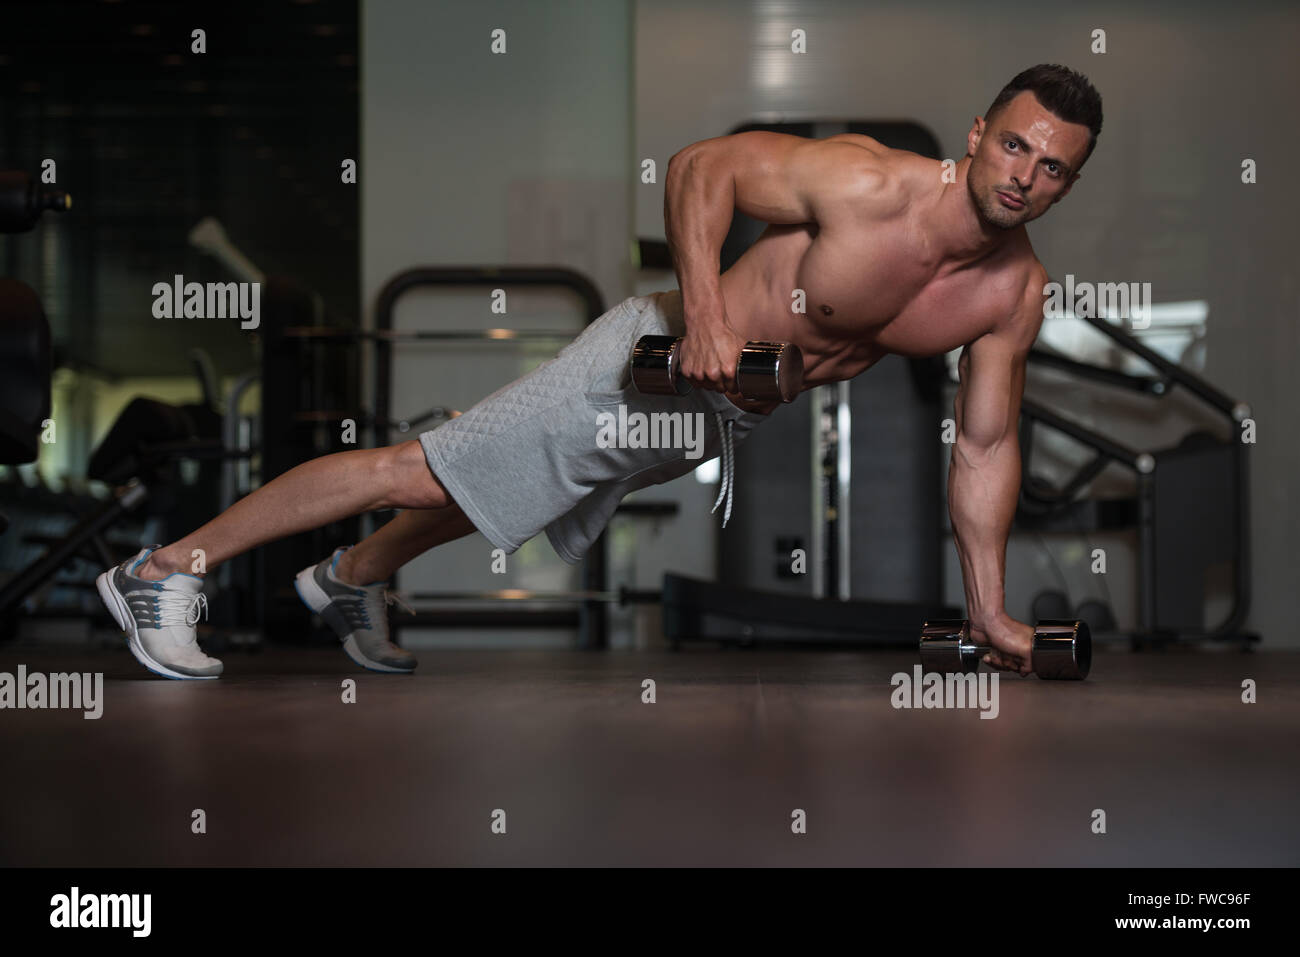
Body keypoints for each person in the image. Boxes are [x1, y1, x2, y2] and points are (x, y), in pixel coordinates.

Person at [97, 63, 1102, 680]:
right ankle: (162, 572)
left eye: (1051, 166)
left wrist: (986, 607)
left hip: (724, 416)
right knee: (418, 469)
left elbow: (984, 442)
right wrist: (706, 317)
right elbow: (699, 170)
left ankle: (351, 576)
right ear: (976, 133)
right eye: (1013, 144)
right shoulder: (866, 181)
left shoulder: (1010, 292)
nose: (1023, 174)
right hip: (650, 363)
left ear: (1067, 181)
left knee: (497, 486)